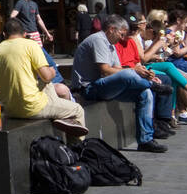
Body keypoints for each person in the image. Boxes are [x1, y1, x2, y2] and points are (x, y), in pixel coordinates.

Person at [71, 15, 165, 153]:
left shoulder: (111, 44)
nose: (122, 38)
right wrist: (134, 71)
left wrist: (141, 73)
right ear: (111, 29)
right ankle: (151, 85)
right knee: (129, 74)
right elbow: (106, 70)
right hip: (88, 88)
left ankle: (145, 140)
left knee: (145, 94)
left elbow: (119, 70)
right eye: (121, 34)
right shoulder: (98, 40)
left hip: (105, 86)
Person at [0, 19, 87, 137]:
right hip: (32, 108)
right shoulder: (31, 45)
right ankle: (76, 151)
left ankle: (60, 114)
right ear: (24, 34)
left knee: (44, 84)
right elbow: (47, 77)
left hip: (9, 110)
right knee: (77, 110)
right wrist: (53, 71)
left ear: (4, 34)